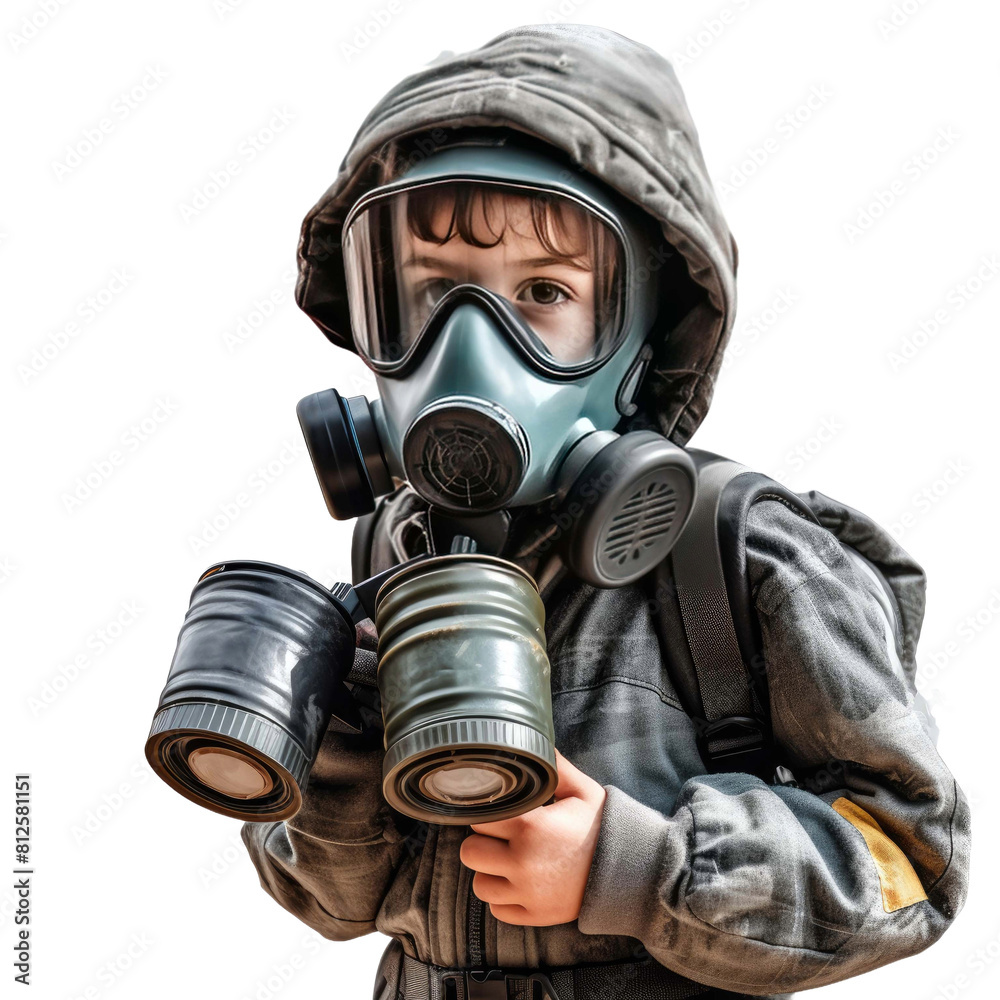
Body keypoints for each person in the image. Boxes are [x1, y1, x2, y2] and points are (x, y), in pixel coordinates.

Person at [240, 23, 970, 1000]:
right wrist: (331, 753)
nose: (469, 349)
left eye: (542, 293)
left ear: (641, 331)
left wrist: (630, 869)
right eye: (429, 294)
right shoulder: (394, 552)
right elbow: (334, 900)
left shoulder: (738, 556)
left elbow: (910, 863)